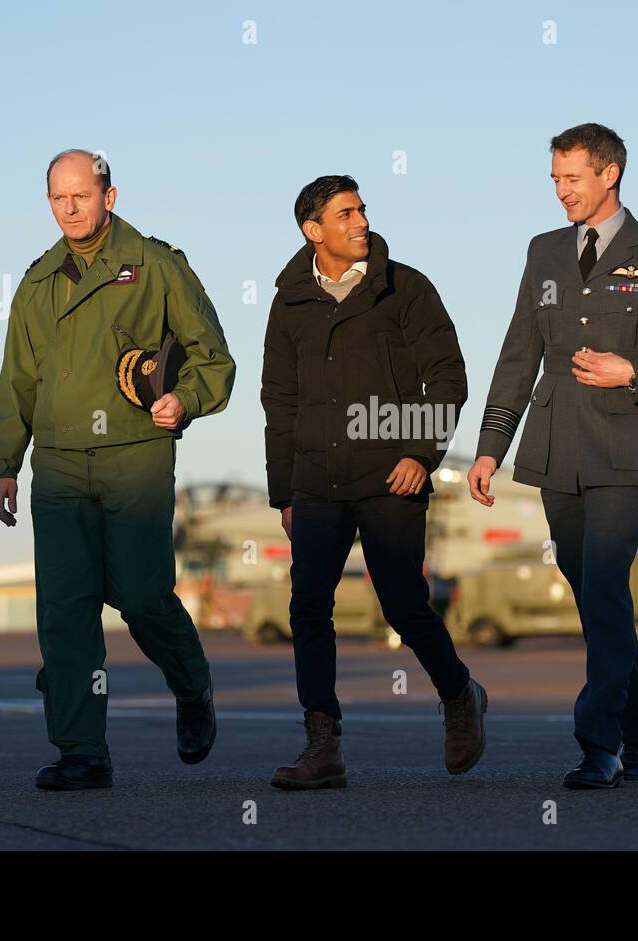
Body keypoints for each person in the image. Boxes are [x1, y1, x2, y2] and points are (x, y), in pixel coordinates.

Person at [468, 124, 638, 788]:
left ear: (609, 175)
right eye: (555, 179)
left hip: (626, 445)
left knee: (606, 585)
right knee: (592, 596)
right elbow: (518, 353)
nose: (561, 192)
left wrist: (634, 372)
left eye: (572, 178)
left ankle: (599, 742)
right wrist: (490, 447)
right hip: (555, 446)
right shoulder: (543, 252)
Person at [0, 149, 236, 790]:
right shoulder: (38, 282)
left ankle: (192, 685)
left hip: (135, 455)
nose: (70, 208)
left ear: (110, 197)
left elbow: (215, 359)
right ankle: (83, 753)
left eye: (82, 196)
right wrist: (4, 462)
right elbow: (18, 380)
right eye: (58, 199)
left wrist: (186, 400)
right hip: (61, 463)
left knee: (144, 596)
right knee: (64, 611)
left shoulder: (156, 266)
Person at [260, 174, 487, 789]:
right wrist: (283, 489)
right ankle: (322, 744)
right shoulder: (289, 301)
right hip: (315, 481)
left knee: (404, 604)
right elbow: (278, 400)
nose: (360, 222)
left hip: (392, 476)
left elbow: (446, 377)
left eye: (361, 210)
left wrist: (421, 453)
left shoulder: (405, 289)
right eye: (345, 214)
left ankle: (460, 695)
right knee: (308, 607)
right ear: (314, 230)